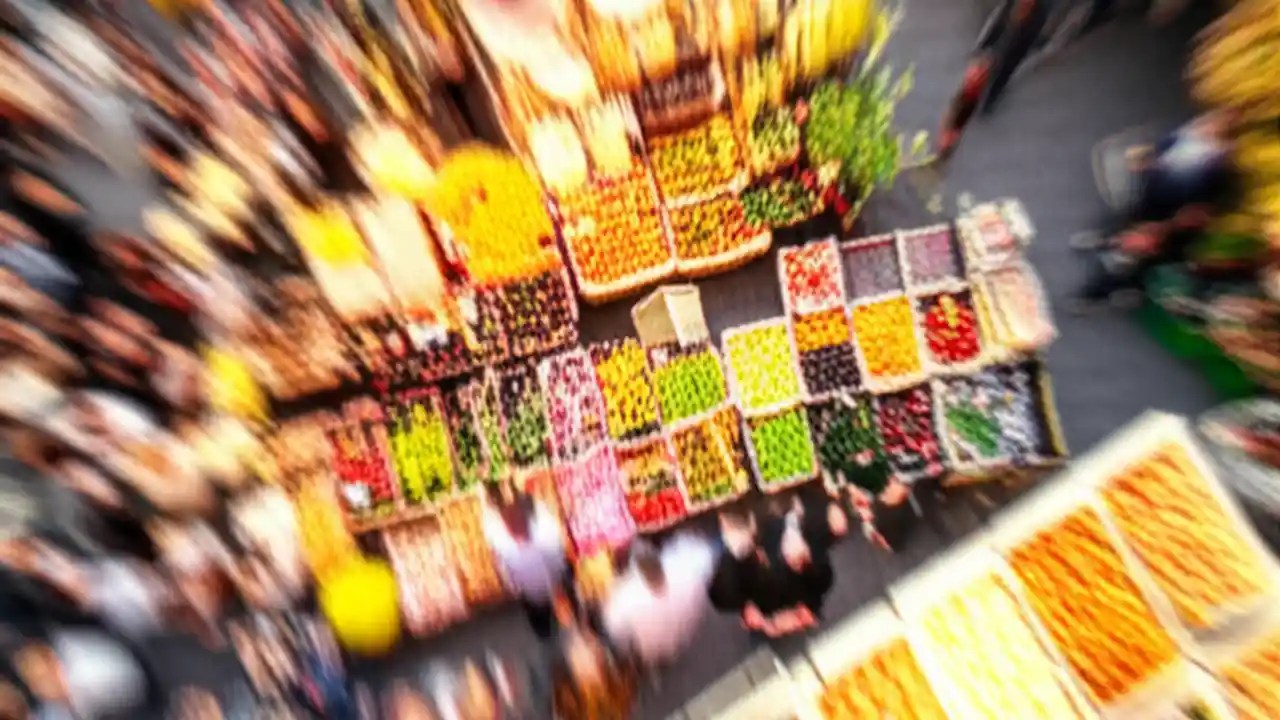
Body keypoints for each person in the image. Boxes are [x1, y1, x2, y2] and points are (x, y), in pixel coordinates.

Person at [1073, 110, 1238, 309]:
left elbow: (1206, 205)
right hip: (1153, 200)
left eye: (1214, 124)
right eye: (1208, 121)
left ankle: (1095, 293)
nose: (1206, 125)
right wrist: (1146, 161)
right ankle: (1115, 262)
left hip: (1173, 217)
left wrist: (1167, 226)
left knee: (1136, 253)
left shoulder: (1217, 165)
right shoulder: (1187, 137)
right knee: (1130, 237)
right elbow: (1161, 152)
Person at [601, 533, 716, 672]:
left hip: (651, 647)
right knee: (673, 644)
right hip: (680, 632)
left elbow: (613, 626)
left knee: (658, 654)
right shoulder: (682, 573)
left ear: (639, 572)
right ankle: (672, 656)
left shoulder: (629, 597)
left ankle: (662, 664)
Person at [482, 489, 567, 641]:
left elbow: (555, 544)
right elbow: (502, 562)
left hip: (520, 512)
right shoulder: (521, 587)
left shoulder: (553, 577)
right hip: (515, 515)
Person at [980, 0, 1051, 113]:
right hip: (1025, 21)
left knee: (1007, 58)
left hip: (1027, 23)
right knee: (1007, 58)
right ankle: (989, 93)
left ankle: (989, 92)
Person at [937, 54, 992, 161]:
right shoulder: (980, 74)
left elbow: (965, 86)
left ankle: (944, 145)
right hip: (968, 101)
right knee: (956, 124)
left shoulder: (974, 72)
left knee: (951, 122)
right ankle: (946, 146)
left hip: (964, 99)